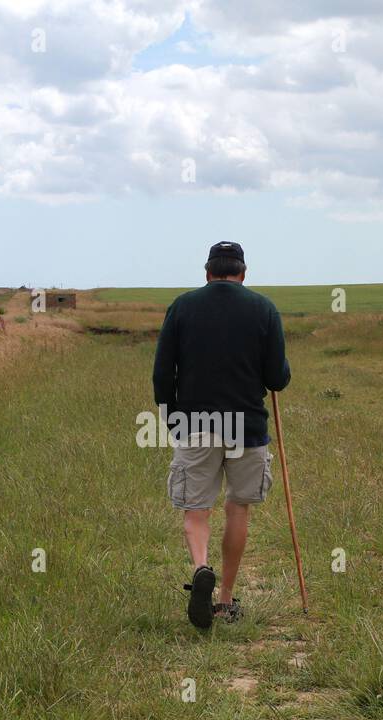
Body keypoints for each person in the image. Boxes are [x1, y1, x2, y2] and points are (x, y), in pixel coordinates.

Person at [151, 241, 291, 628]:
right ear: (243, 273)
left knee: (196, 509)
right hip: (247, 427)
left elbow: (163, 373)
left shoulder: (182, 306)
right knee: (237, 507)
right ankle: (226, 599)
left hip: (195, 425)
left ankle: (200, 569)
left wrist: (171, 417)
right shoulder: (263, 308)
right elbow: (277, 378)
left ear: (208, 272)